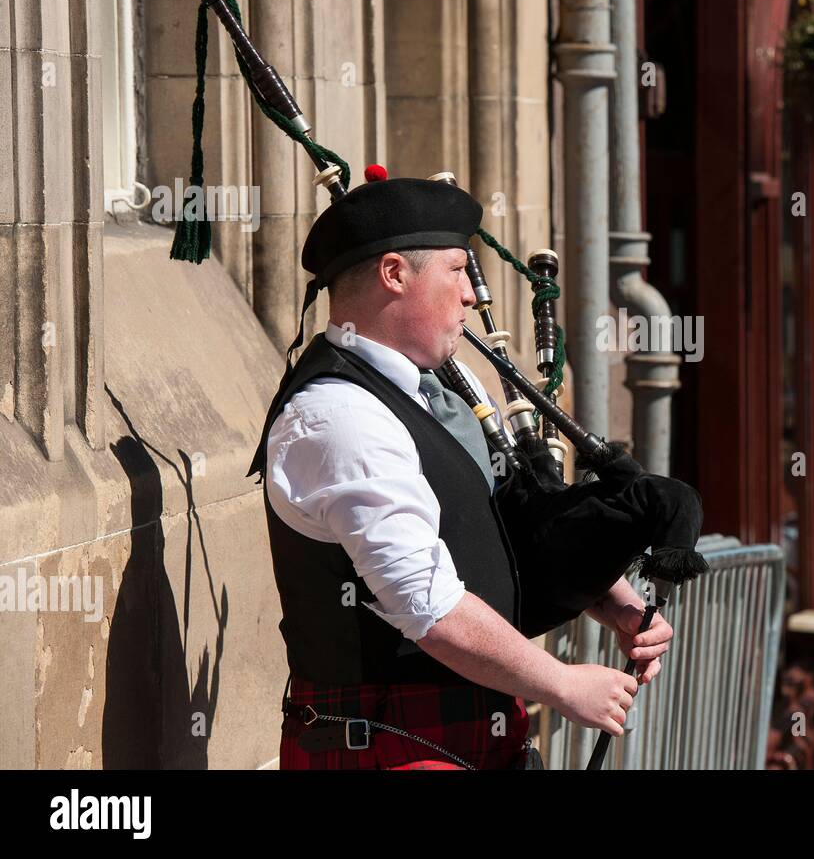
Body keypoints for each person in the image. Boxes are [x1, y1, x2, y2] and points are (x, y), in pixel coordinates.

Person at [252, 174, 673, 769]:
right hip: (384, 747)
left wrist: (608, 596)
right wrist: (560, 683)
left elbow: (497, 524)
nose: (473, 296)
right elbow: (429, 606)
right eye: (457, 271)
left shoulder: (440, 391)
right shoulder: (339, 418)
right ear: (394, 274)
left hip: (462, 737)